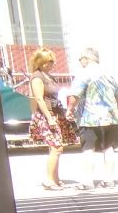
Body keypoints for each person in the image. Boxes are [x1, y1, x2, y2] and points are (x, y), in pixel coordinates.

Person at [67, 48, 118, 191]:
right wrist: (115, 111)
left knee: (88, 149)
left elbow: (74, 95)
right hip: (110, 118)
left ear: (87, 59)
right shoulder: (109, 74)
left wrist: (70, 110)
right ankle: (109, 180)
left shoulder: (84, 73)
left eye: (81, 59)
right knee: (109, 148)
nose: (80, 62)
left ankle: (87, 182)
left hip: (90, 118)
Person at [27, 47, 79, 190]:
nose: (53, 63)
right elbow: (39, 98)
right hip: (46, 115)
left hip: (56, 114)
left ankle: (55, 179)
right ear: (42, 62)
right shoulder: (37, 77)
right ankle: (49, 180)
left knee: (55, 148)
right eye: (50, 61)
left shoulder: (49, 76)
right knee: (57, 147)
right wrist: (49, 118)